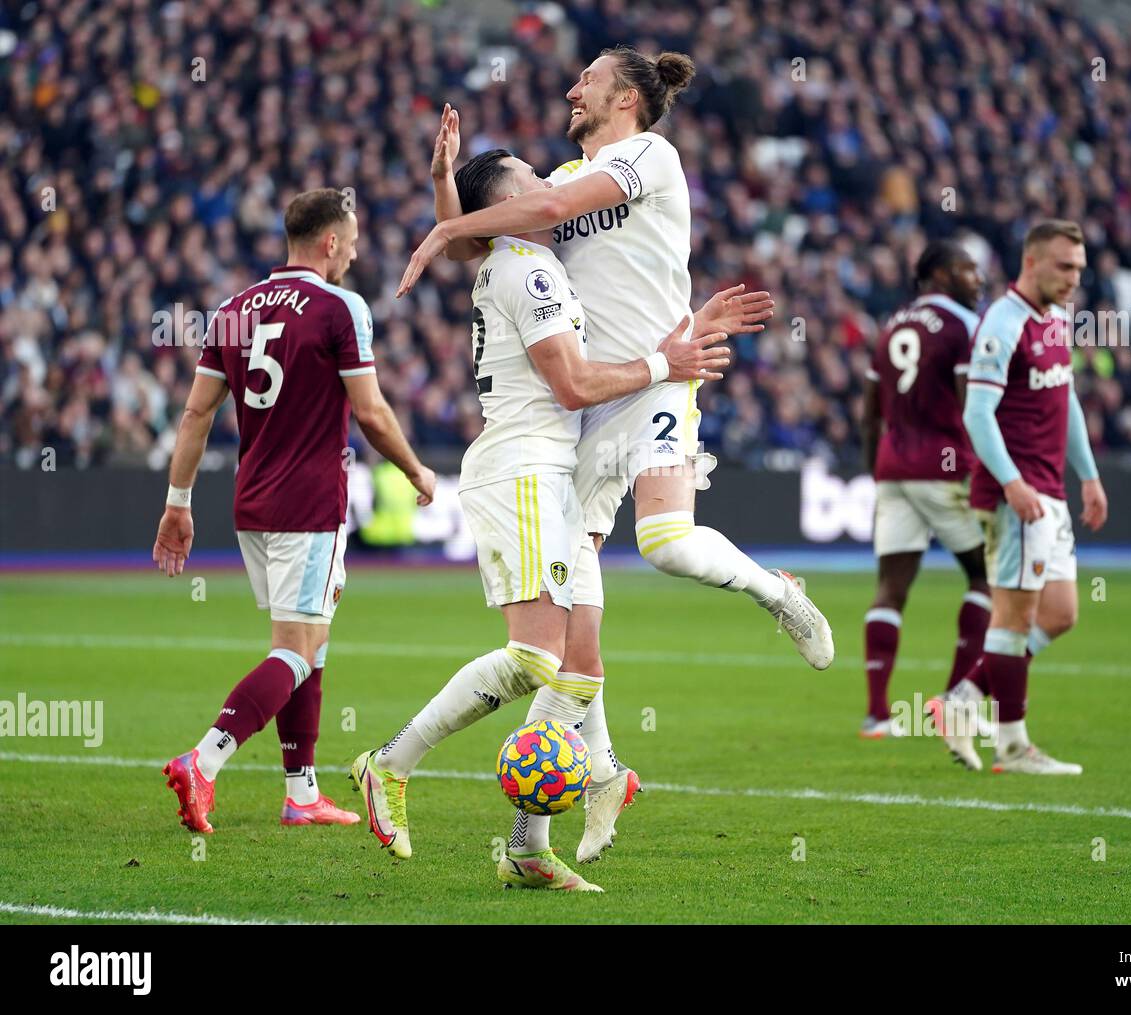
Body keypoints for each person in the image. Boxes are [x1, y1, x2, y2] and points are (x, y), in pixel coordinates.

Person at [400, 48, 834, 865]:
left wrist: (451, 220)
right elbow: (481, 245)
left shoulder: (646, 155)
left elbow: (537, 209)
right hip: (597, 402)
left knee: (667, 542)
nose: (571, 89)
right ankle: (565, 807)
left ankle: (779, 592)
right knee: (571, 635)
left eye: (587, 81)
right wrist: (447, 188)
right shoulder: (556, 182)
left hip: (665, 374)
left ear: (625, 96)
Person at [350, 149, 732, 891]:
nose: (550, 183)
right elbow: (573, 381)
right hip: (524, 469)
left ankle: (529, 847)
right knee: (535, 660)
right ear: (509, 200)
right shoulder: (527, 267)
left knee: (581, 667)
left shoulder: (513, 260)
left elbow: (461, 234)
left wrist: (439, 186)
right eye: (533, 177)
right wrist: (666, 367)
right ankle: (389, 763)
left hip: (552, 474)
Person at [154, 188, 438, 831]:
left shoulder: (231, 309)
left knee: (311, 643)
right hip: (311, 502)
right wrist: (417, 469)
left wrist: (178, 502)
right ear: (331, 242)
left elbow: (197, 412)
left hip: (252, 503)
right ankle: (203, 760)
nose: (358, 248)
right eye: (355, 237)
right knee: (295, 648)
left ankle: (301, 792)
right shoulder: (341, 307)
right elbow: (369, 410)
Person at [939, 219, 1108, 775]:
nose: (1074, 279)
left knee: (1060, 613)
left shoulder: (1057, 319)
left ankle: (962, 702)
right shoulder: (1001, 324)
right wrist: (1012, 482)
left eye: (1079, 269)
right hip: (1016, 494)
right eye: (1064, 266)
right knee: (1013, 618)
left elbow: (1068, 403)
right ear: (1031, 263)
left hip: (1050, 491)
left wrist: (1088, 475)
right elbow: (977, 414)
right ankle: (1013, 747)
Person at [860, 239, 990, 745]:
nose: (976, 279)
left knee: (891, 587)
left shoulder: (890, 325)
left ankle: (876, 715)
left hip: (894, 466)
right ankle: (958, 698)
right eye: (967, 268)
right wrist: (986, 469)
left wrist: (877, 468)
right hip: (946, 466)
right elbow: (972, 403)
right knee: (988, 579)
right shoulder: (962, 325)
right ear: (938, 274)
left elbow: (869, 411)